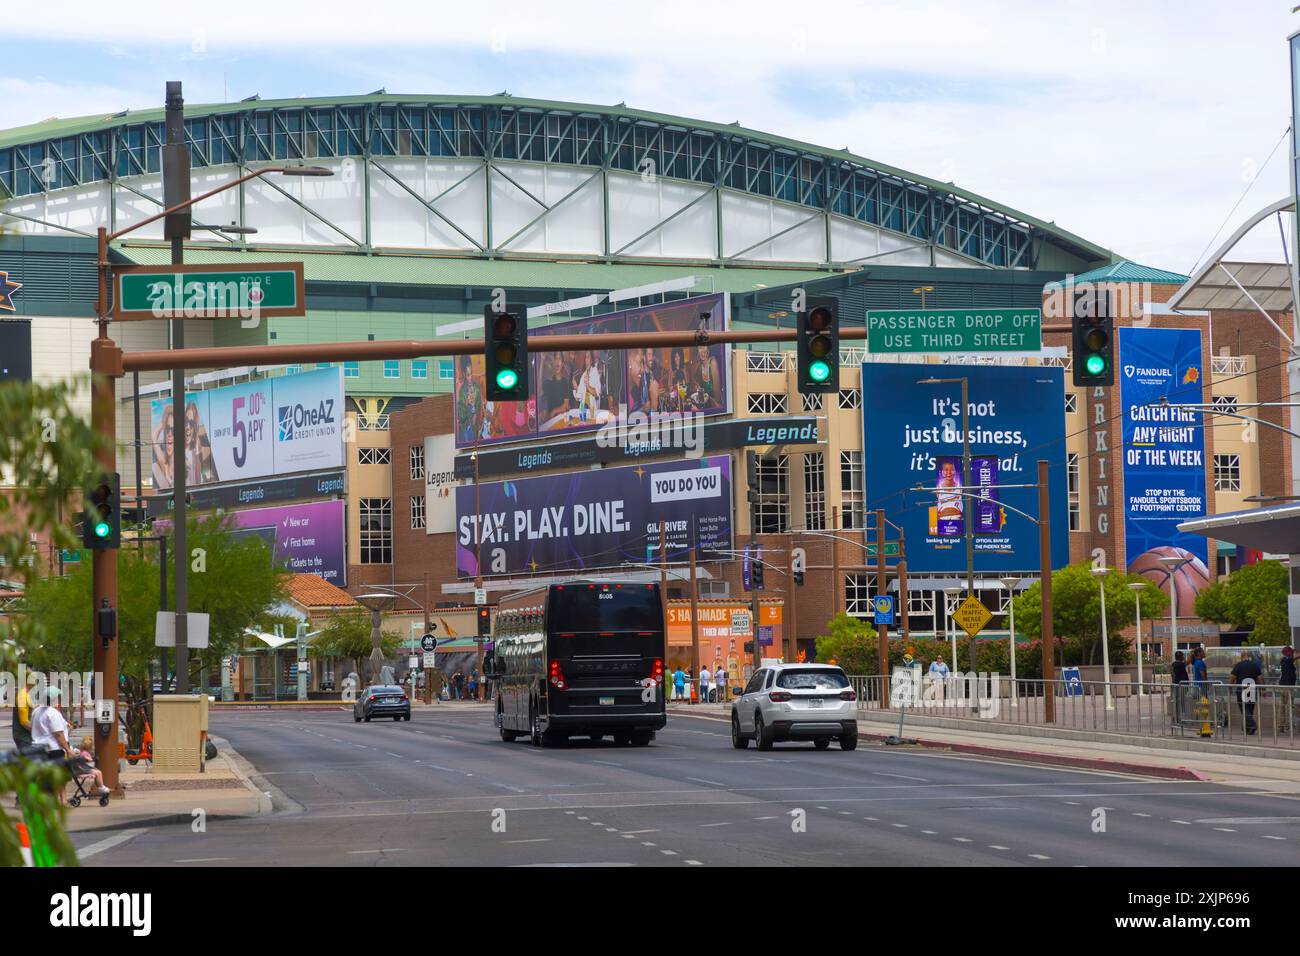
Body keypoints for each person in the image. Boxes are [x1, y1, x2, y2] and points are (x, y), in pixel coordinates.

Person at [1230, 649, 1263, 735]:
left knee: (1244, 708)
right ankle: (1247, 728)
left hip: (1242, 689)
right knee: (1250, 708)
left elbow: (1233, 678)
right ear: (1249, 656)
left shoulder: (1238, 665)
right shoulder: (1255, 665)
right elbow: (1260, 678)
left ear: (1242, 656)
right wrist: (1263, 689)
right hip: (1252, 688)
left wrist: (1229, 687)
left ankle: (1252, 725)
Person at [11, 681, 32, 750]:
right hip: (23, 737)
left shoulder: (25, 694)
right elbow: (24, 722)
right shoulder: (22, 695)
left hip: (24, 736)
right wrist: (36, 731)